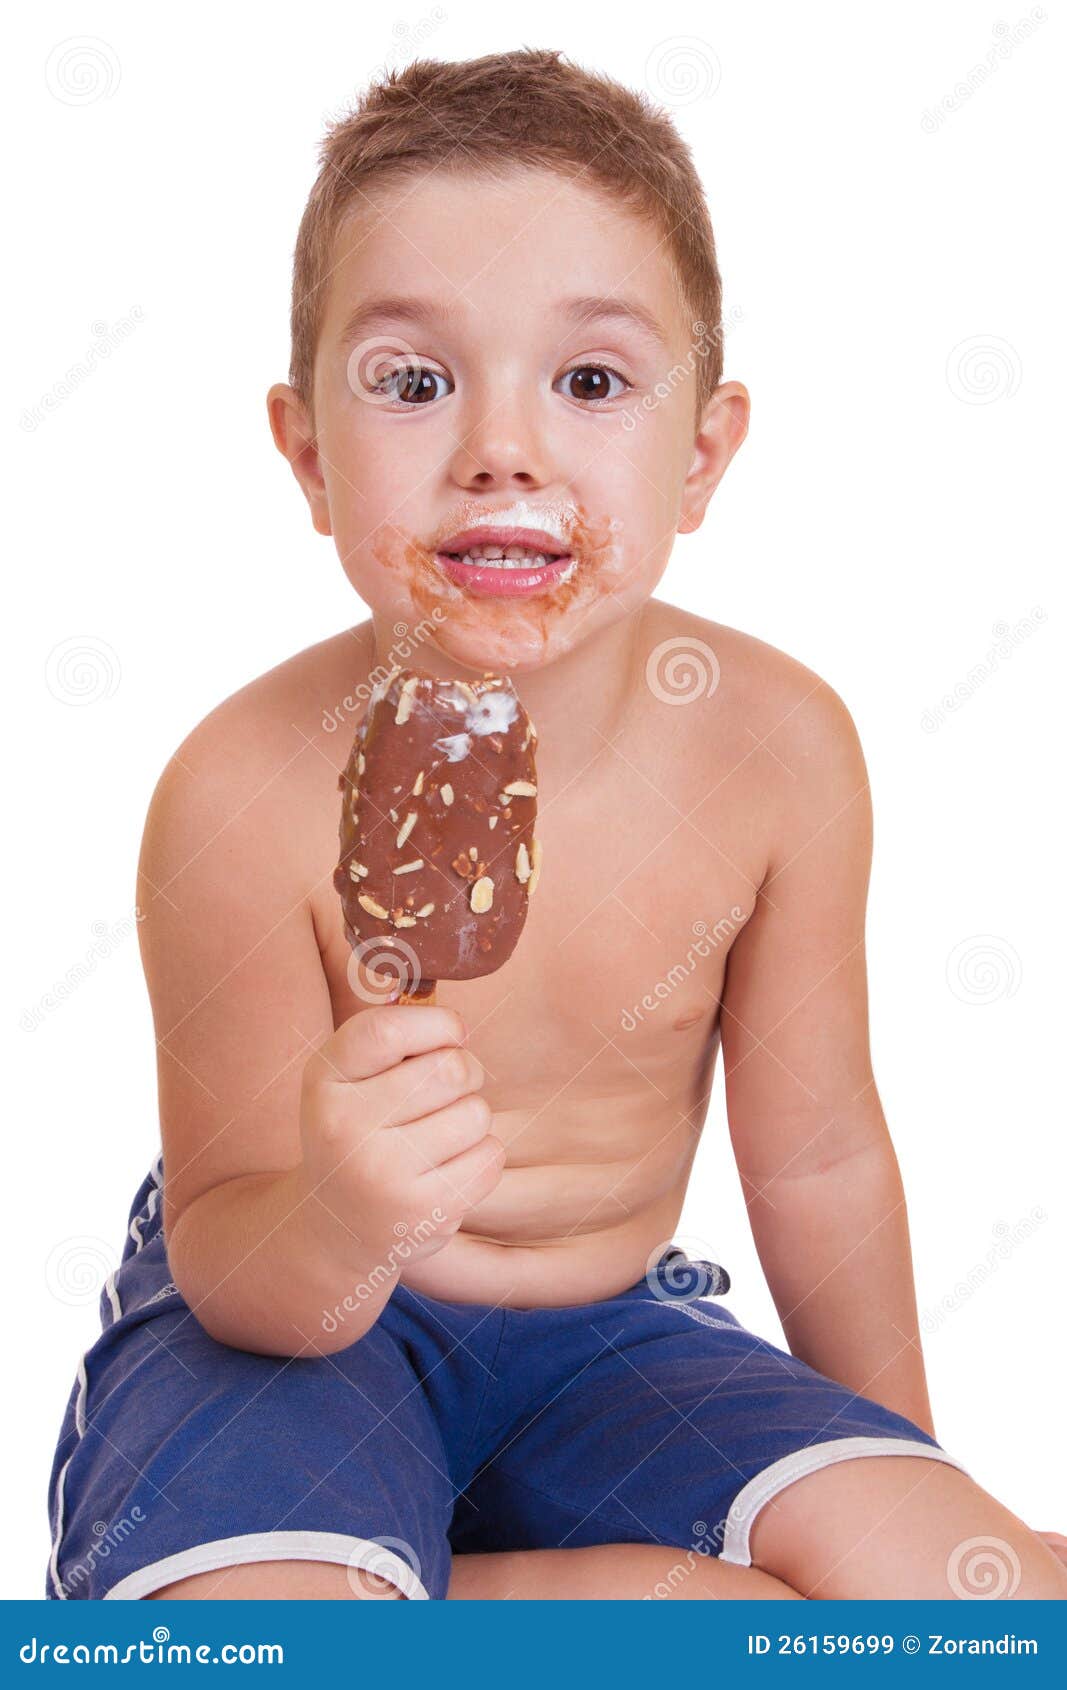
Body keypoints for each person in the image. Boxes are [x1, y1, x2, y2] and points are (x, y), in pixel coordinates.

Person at [45, 47, 1067, 1601]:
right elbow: (234, 1251)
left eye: (590, 382)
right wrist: (339, 1207)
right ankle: (421, 1582)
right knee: (252, 1634)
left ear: (704, 453)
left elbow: (818, 1157)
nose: (500, 449)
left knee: (979, 1589)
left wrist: (898, 1479)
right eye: (412, 381)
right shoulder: (242, 787)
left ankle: (466, 1588)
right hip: (284, 1330)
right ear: (310, 454)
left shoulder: (778, 750)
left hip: (613, 1335)